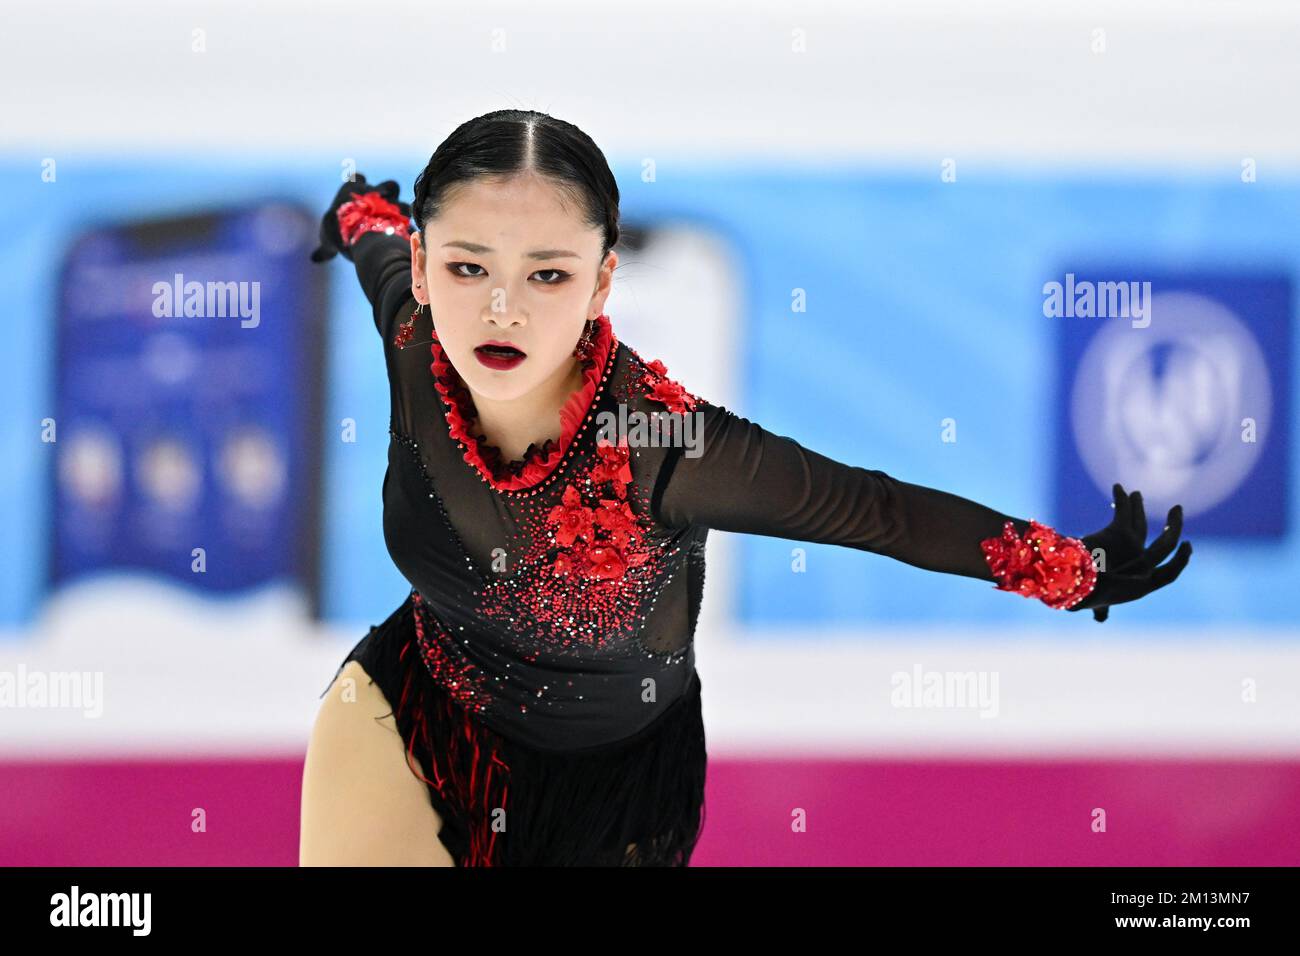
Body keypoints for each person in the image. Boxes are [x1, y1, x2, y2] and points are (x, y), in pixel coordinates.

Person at [298, 109, 1193, 867]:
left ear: (603, 281)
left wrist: (1063, 567)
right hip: (406, 707)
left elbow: (874, 509)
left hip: (612, 795)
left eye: (547, 273)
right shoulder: (416, 338)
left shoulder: (662, 444)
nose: (502, 308)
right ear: (424, 269)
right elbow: (376, 245)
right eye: (467, 267)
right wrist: (360, 214)